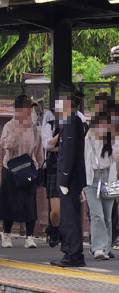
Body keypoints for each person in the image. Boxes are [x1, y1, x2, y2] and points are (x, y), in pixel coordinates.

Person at [0, 95, 44, 248]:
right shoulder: (9, 126)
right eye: (26, 107)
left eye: (30, 108)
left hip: (28, 169)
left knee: (29, 202)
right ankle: (6, 234)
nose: (29, 111)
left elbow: (38, 149)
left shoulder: (33, 127)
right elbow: (4, 144)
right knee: (9, 203)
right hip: (11, 168)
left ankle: (29, 237)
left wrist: (39, 165)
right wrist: (18, 132)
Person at [51, 84, 87, 268]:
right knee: (68, 217)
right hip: (70, 179)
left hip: (70, 180)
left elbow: (71, 153)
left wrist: (64, 177)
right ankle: (69, 251)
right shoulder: (69, 121)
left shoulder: (72, 122)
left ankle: (74, 254)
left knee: (71, 218)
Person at [83, 111, 119, 259]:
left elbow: (115, 160)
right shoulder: (89, 138)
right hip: (92, 178)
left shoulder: (113, 140)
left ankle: (106, 247)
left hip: (108, 177)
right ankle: (98, 248)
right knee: (96, 214)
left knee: (107, 216)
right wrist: (83, 183)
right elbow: (85, 160)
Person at [41, 107, 62, 246]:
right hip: (54, 166)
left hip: (71, 167)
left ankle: (61, 233)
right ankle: (55, 229)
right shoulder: (50, 118)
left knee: (69, 207)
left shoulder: (78, 118)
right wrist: (59, 139)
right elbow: (46, 145)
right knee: (55, 210)